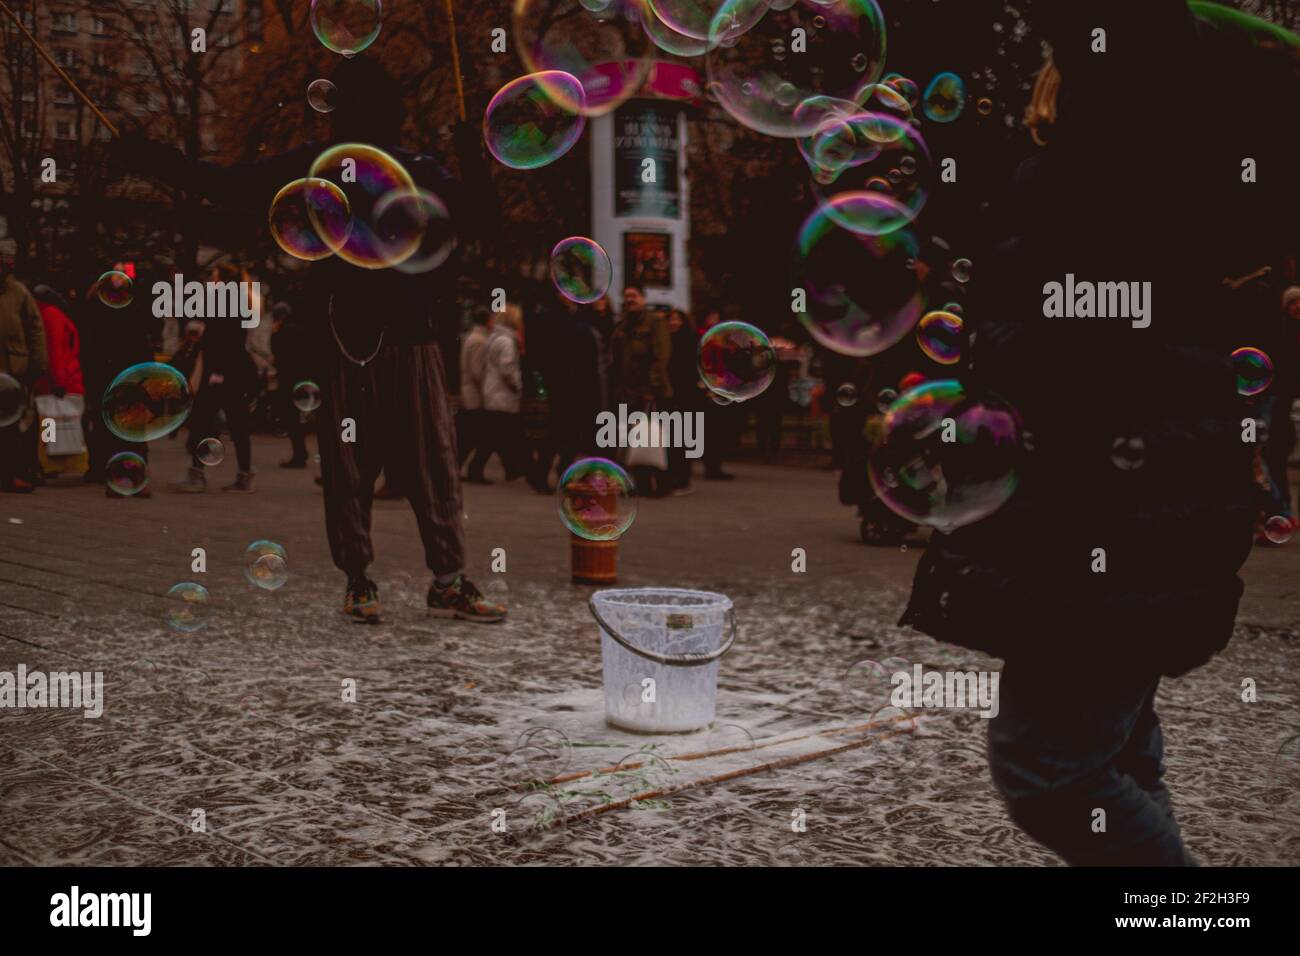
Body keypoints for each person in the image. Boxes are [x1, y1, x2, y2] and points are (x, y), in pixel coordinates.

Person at [899, 0, 1298, 865]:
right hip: (1113, 506)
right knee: (1115, 753)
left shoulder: (1131, 153)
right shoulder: (1120, 170)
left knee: (1050, 769)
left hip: (1109, 511)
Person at [118, 56, 505, 623]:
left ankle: (399, 579)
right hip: (362, 336)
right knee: (403, 462)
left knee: (396, 462)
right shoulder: (349, 167)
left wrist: (150, 158)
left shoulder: (399, 168)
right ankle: (390, 578)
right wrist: (152, 159)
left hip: (396, 335)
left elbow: (225, 183)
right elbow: (228, 185)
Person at [170, 262, 258, 493]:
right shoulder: (237, 300)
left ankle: (197, 475)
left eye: (213, 276)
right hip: (234, 372)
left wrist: (216, 372)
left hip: (220, 373)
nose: (210, 280)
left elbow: (223, 341)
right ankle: (244, 475)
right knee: (237, 425)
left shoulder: (224, 301)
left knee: (202, 423)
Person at [609, 285, 672, 496]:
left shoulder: (655, 323)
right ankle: (641, 484)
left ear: (644, 299)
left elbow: (660, 356)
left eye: (634, 296)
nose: (629, 300)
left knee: (653, 437)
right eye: (626, 296)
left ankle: (661, 484)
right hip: (626, 391)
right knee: (632, 438)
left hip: (649, 390)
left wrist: (653, 388)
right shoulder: (622, 325)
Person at [0, 264, 47, 493]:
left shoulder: (18, 292)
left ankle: (12, 475)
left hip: (12, 369)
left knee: (12, 426)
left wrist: (38, 366)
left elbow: (35, 329)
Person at [31, 285, 86, 477]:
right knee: (53, 421)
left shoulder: (41, 313)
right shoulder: (52, 313)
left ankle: (48, 461)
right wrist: (59, 381)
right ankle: (49, 462)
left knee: (49, 422)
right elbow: (54, 350)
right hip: (61, 378)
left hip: (51, 379)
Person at [481, 304, 525, 480]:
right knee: (504, 434)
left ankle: (513, 469)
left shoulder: (495, 338)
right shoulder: (506, 341)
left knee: (499, 435)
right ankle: (518, 469)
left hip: (493, 392)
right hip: (503, 394)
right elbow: (507, 368)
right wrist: (517, 385)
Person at [270, 301, 313, 469]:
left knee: (292, 418)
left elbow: (277, 353)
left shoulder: (284, 331)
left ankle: (299, 454)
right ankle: (300, 453)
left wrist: (275, 333)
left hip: (288, 380)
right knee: (297, 418)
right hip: (302, 379)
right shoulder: (301, 329)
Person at [665, 308, 699, 495]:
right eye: (670, 319)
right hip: (668, 395)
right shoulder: (663, 340)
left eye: (677, 319)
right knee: (670, 440)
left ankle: (683, 479)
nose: (673, 322)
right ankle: (672, 477)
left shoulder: (691, 340)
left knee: (682, 439)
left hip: (685, 396)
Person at [458, 306, 493, 484]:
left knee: (469, 436)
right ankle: (473, 470)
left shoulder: (471, 337)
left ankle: (461, 467)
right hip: (475, 396)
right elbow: (477, 371)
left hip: (468, 393)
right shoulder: (480, 340)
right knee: (477, 435)